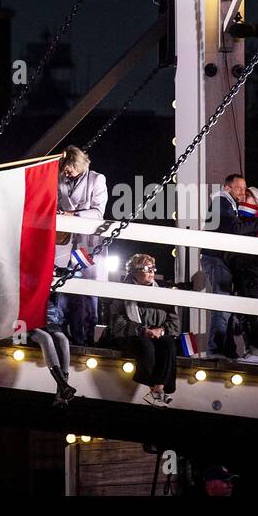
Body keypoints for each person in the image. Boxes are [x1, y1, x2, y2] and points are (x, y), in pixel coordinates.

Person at [48, 146, 108, 346]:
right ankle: (61, 331)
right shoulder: (61, 179)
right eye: (63, 169)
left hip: (87, 245)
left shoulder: (97, 180)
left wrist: (73, 215)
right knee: (63, 288)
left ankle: (86, 336)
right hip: (64, 243)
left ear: (78, 164)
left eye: (68, 168)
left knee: (87, 291)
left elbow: (98, 212)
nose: (65, 173)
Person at [200, 172, 258, 358]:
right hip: (216, 259)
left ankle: (226, 349)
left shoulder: (228, 204)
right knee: (222, 303)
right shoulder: (221, 202)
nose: (243, 192)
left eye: (245, 188)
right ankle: (216, 350)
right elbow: (233, 229)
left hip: (221, 259)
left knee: (226, 304)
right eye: (239, 188)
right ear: (227, 188)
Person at [108, 252, 179, 405]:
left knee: (169, 345)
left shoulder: (162, 293)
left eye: (154, 268)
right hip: (132, 335)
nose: (152, 271)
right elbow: (118, 323)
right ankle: (155, 386)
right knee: (146, 345)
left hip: (157, 333)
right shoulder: (122, 292)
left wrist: (162, 330)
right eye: (148, 268)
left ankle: (158, 388)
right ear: (134, 272)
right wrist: (143, 331)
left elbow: (174, 322)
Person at [228, 184, 258, 363]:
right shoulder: (247, 217)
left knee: (255, 315)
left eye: (247, 194)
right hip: (248, 272)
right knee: (246, 314)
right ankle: (252, 351)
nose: (242, 196)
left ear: (255, 201)